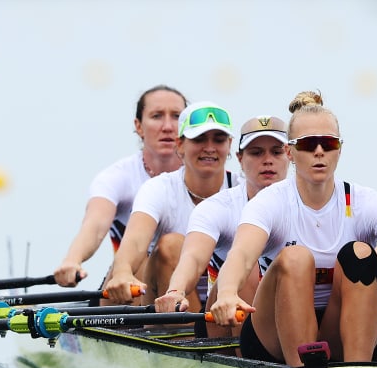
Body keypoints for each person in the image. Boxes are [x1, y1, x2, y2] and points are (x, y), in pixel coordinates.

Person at [210, 91, 377, 368]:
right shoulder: (271, 202)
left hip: (336, 329)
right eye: (308, 144)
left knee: (361, 252)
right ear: (290, 152)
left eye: (329, 143)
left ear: (340, 149)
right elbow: (241, 255)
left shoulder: (364, 202)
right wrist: (227, 292)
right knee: (295, 257)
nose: (319, 152)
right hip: (272, 336)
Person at [154, 114, 291, 337]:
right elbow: (194, 257)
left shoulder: (309, 204)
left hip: (289, 311)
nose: (267, 160)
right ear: (239, 158)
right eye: (256, 153)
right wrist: (176, 291)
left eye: (276, 152)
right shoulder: (217, 207)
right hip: (226, 321)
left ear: (289, 155)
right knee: (247, 268)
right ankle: (245, 364)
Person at [103, 102, 239, 305]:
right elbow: (136, 241)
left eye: (218, 140)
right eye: (199, 139)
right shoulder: (158, 189)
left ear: (229, 145)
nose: (209, 148)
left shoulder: (242, 190)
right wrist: (122, 272)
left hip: (222, 308)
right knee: (172, 244)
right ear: (180, 145)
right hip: (169, 301)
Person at [53, 84, 187, 289]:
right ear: (139, 126)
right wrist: (73, 259)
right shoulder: (117, 177)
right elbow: (95, 225)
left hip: (191, 289)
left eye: (176, 116)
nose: (168, 126)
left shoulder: (209, 177)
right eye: (157, 116)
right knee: (147, 259)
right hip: (132, 285)